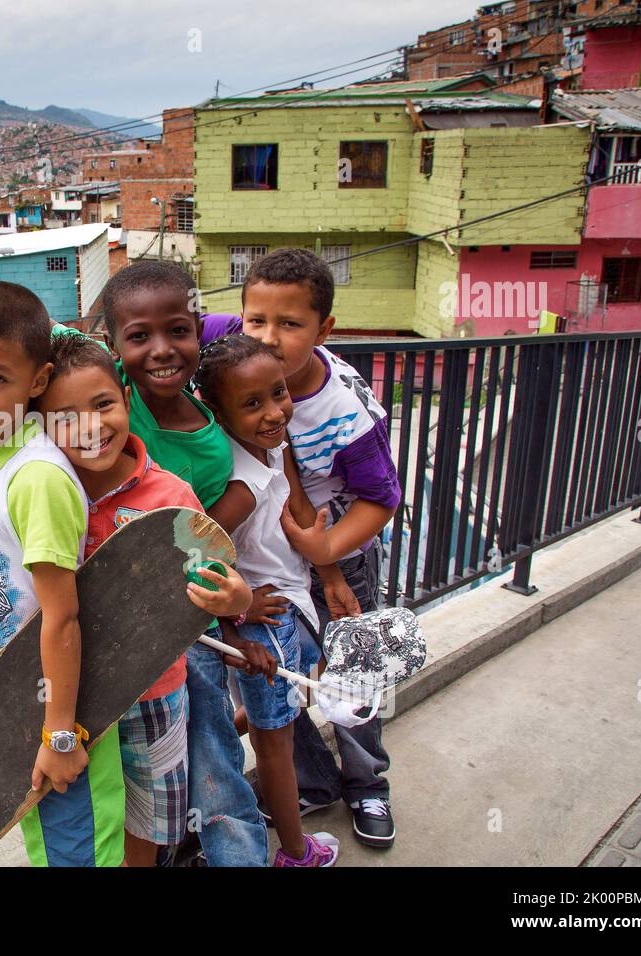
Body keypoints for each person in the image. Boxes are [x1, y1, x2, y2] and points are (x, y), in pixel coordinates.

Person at [34, 328, 252, 866]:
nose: (90, 427)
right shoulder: (47, 495)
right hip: (78, 701)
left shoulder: (171, 495)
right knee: (85, 817)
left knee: (150, 820)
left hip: (158, 693)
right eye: (65, 416)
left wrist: (234, 598)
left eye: (103, 404)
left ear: (126, 399)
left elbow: (223, 577)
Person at [99, 260, 288, 866]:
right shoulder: (119, 404)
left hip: (190, 632)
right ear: (113, 346)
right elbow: (55, 344)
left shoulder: (211, 439)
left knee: (212, 762)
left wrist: (232, 634)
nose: (161, 350)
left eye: (178, 331)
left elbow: (204, 548)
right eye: (138, 337)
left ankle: (237, 855)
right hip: (113, 628)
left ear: (198, 331)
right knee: (130, 776)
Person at [0, 280, 124, 867]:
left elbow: (63, 615)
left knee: (79, 850)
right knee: (44, 841)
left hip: (64, 706)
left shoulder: (33, 478)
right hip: (10, 695)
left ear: (36, 382)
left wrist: (61, 736)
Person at [239, 247, 402, 848]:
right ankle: (313, 781)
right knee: (275, 672)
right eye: (256, 320)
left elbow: (382, 498)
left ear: (324, 329)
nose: (268, 336)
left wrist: (326, 550)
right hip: (276, 563)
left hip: (345, 557)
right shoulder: (236, 349)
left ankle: (368, 785)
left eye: (290, 324)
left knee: (352, 670)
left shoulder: (345, 413)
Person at [197, 334, 339, 867]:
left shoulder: (275, 446)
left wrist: (332, 578)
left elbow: (299, 505)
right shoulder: (241, 481)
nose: (274, 412)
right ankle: (297, 854)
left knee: (275, 716)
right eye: (251, 404)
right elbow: (194, 553)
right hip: (268, 621)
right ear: (217, 410)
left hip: (291, 604)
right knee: (275, 742)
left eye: (278, 393)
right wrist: (236, 620)